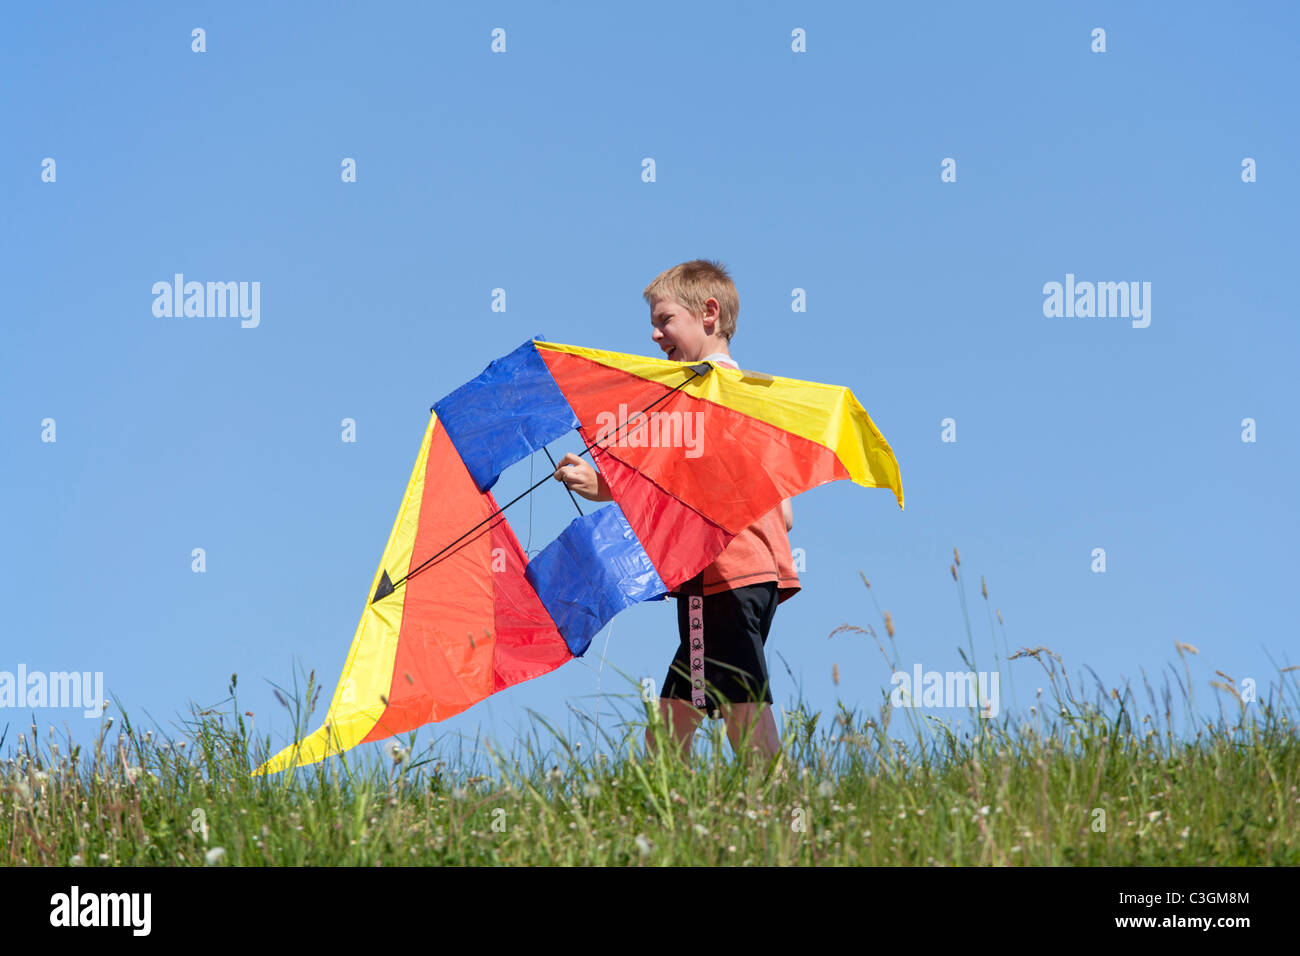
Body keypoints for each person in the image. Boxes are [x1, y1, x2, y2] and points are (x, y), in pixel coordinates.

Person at [551, 259, 798, 762]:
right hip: (748, 577)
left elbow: (681, 483)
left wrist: (602, 483)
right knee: (674, 723)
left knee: (741, 707)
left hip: (723, 579)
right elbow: (786, 512)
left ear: (709, 313)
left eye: (665, 320)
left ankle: (780, 807)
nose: (654, 333)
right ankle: (666, 810)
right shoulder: (752, 396)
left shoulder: (705, 395)